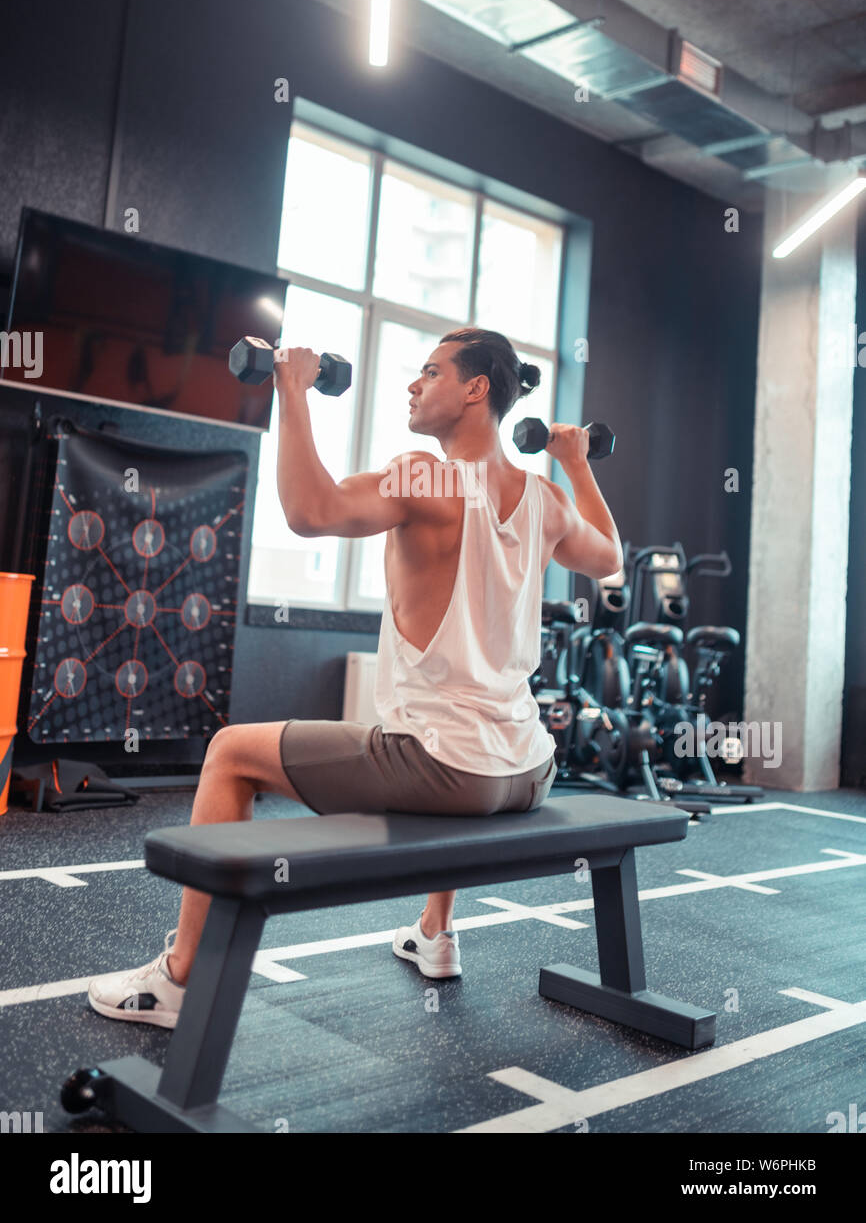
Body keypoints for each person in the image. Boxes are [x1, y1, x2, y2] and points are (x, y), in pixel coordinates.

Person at [88, 327, 622, 1026]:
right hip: (528, 768)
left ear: (475, 389)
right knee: (453, 726)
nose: (412, 384)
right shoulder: (547, 499)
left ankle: (182, 980)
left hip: (449, 770)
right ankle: (435, 934)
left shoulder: (423, 476)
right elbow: (610, 554)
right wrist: (576, 462)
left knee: (229, 754)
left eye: (429, 373)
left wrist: (291, 388)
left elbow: (310, 513)